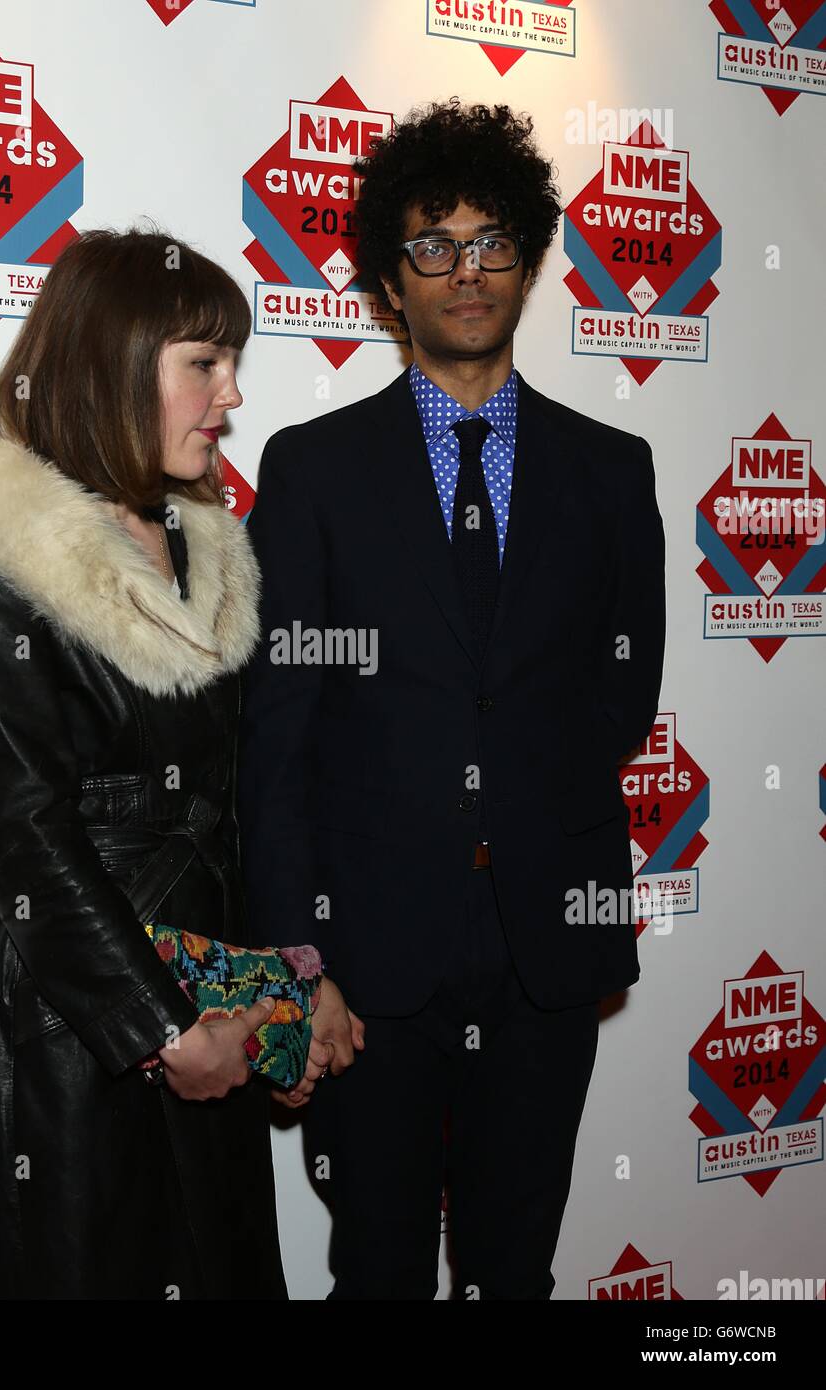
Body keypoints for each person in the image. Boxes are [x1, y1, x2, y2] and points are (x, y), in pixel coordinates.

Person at [237, 99, 666, 1299]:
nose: (464, 271)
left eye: (490, 241)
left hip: (546, 940)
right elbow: (278, 737)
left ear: (529, 256)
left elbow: (624, 691)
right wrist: (296, 954)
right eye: (432, 245)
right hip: (367, 955)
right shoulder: (314, 470)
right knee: (374, 1265)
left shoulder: (610, 469)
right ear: (387, 281)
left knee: (513, 1262)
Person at [0, 226, 323, 1300]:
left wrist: (290, 989)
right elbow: (27, 845)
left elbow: (239, 810)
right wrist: (160, 1026)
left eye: (231, 364)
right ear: (110, 362)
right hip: (72, 1042)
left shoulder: (208, 555)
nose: (230, 395)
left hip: (212, 1021)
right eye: (204, 363)